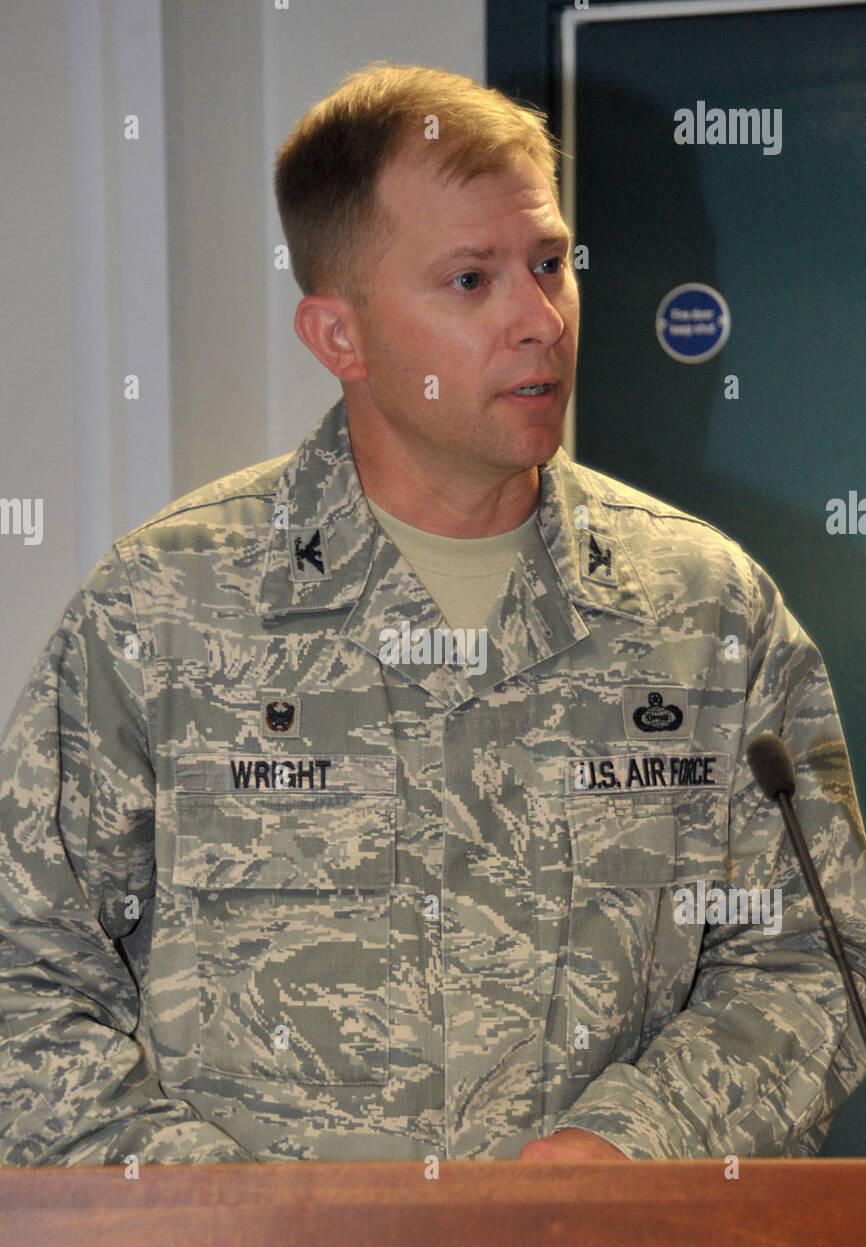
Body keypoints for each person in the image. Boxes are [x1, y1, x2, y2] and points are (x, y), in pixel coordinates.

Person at [1, 62, 864, 1168]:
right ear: (339, 337)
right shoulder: (161, 611)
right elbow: (27, 982)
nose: (537, 320)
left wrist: (627, 1150)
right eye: (470, 280)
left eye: (549, 265)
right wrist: (237, 1228)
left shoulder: (707, 615)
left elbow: (810, 963)